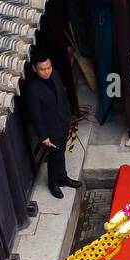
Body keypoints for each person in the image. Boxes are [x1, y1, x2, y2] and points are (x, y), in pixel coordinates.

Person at [22, 52, 80, 199]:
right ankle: (53, 183)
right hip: (50, 129)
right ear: (35, 69)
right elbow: (36, 116)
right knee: (54, 156)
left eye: (48, 67)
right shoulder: (33, 89)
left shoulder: (55, 75)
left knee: (62, 152)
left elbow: (62, 95)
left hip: (62, 121)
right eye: (43, 69)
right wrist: (43, 136)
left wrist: (68, 114)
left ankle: (63, 177)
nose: (47, 71)